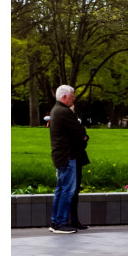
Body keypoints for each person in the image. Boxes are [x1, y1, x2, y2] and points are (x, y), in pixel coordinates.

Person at [48, 85, 86, 233]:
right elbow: (80, 131)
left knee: (60, 189)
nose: (74, 98)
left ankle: (55, 221)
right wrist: (84, 136)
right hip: (67, 156)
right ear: (64, 97)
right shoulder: (65, 112)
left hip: (59, 156)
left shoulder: (55, 111)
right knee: (67, 190)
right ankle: (62, 222)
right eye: (72, 96)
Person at [69, 101, 90, 230]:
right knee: (71, 190)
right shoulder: (71, 123)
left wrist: (84, 138)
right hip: (73, 158)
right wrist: (84, 138)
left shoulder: (73, 122)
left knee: (74, 189)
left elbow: (84, 137)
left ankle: (73, 219)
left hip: (76, 158)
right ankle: (71, 219)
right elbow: (82, 137)